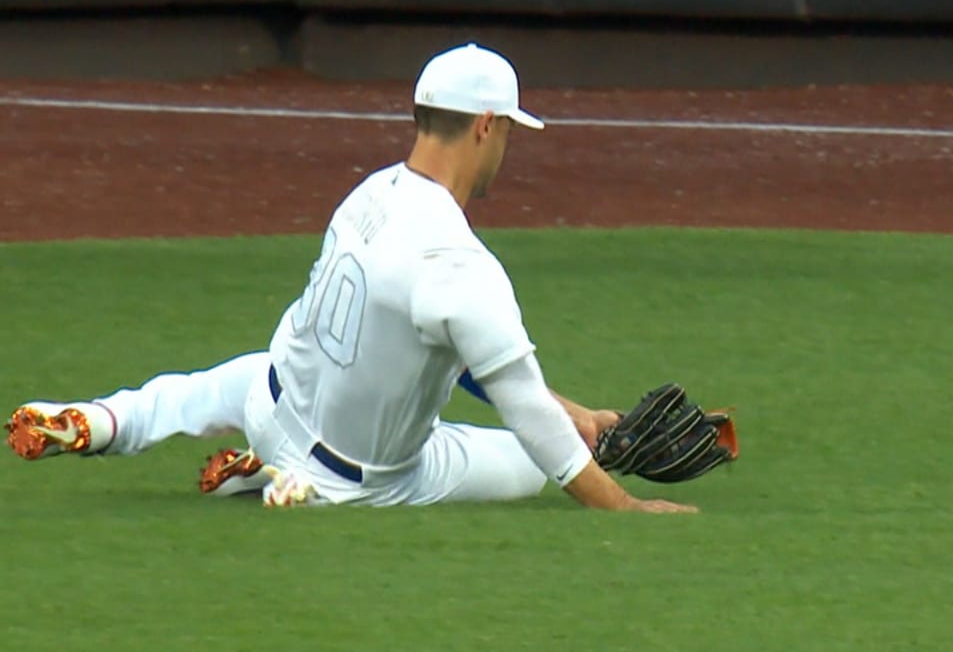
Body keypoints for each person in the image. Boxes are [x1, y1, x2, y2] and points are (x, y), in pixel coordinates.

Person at [5, 42, 696, 513]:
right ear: (485, 126)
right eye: (510, 132)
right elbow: (530, 420)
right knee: (526, 464)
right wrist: (626, 504)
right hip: (362, 478)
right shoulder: (460, 266)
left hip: (273, 403)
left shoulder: (367, 196)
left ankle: (107, 418)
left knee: (199, 390)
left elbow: (450, 351)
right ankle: (282, 486)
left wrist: (573, 411)